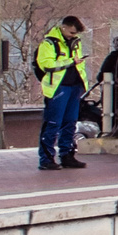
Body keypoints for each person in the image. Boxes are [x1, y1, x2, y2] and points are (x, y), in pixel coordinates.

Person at [35, 15, 90, 171]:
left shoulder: (75, 42)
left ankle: (67, 155)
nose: (74, 35)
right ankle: (46, 158)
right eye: (72, 32)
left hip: (74, 86)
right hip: (58, 87)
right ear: (63, 27)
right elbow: (47, 64)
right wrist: (71, 62)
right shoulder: (49, 43)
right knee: (53, 123)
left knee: (70, 123)